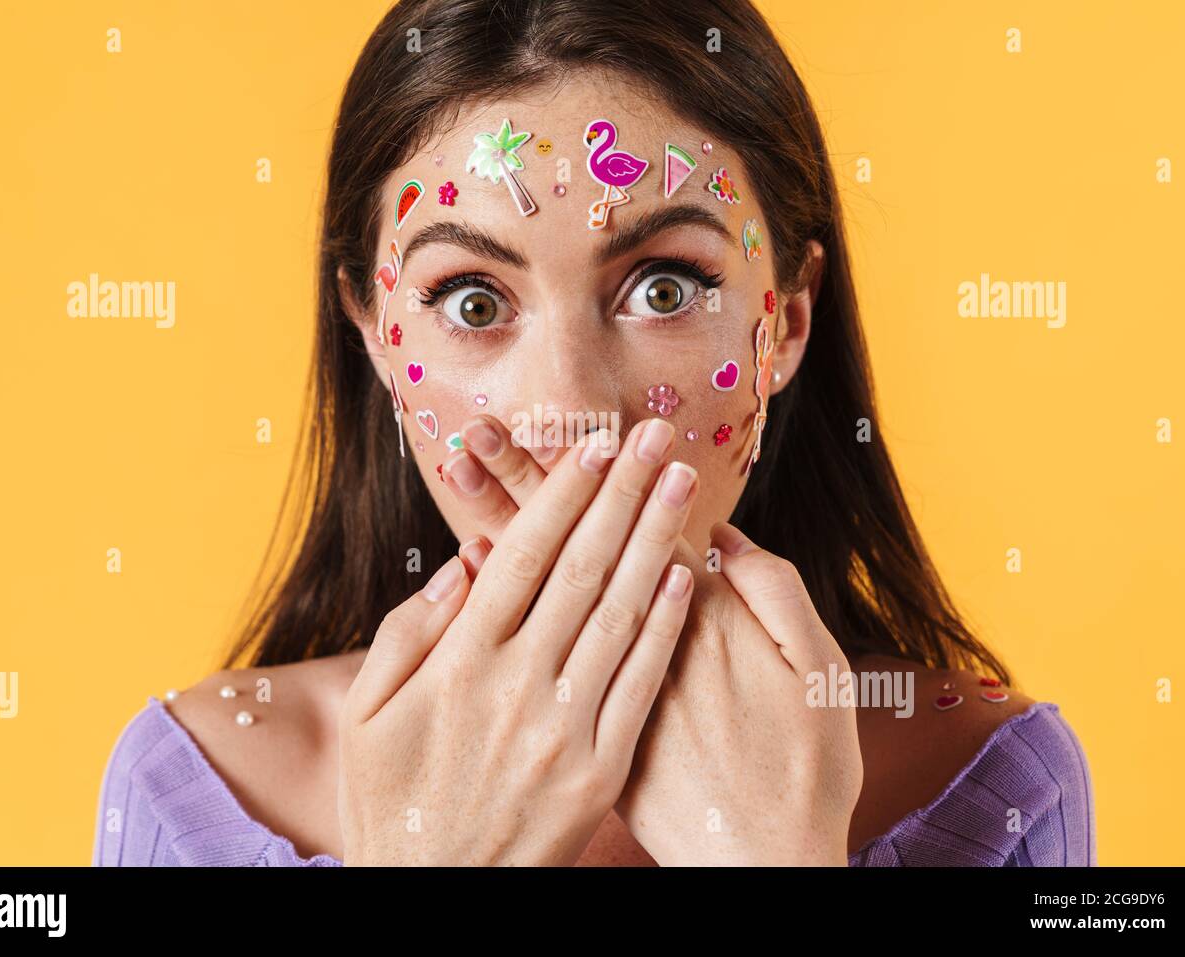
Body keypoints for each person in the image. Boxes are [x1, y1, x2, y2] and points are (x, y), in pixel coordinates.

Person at [93, 0, 1094, 866]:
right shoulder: (203, 787)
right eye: (473, 302)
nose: (570, 411)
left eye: (665, 288)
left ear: (786, 320)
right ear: (375, 337)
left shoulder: (993, 779)